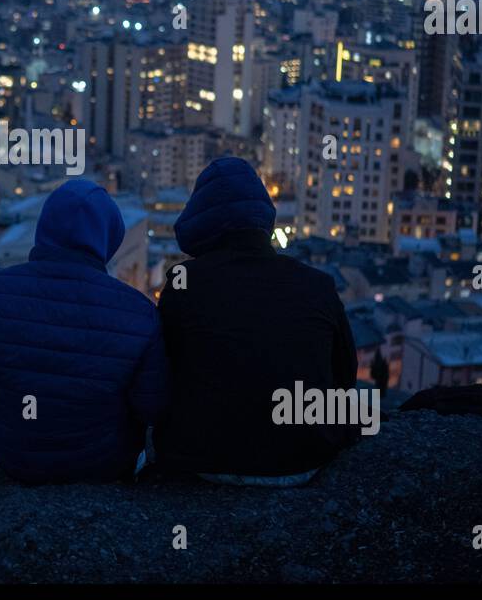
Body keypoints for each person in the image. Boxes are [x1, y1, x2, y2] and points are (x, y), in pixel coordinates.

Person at [0, 179, 168, 484]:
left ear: (44, 228)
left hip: (10, 454)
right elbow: (152, 407)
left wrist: (6, 388)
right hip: (105, 462)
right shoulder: (138, 311)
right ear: (109, 238)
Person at [153, 157, 360, 485]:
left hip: (201, 460)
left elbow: (161, 379)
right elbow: (345, 376)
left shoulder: (184, 282)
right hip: (304, 460)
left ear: (200, 225)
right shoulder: (317, 285)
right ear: (264, 220)